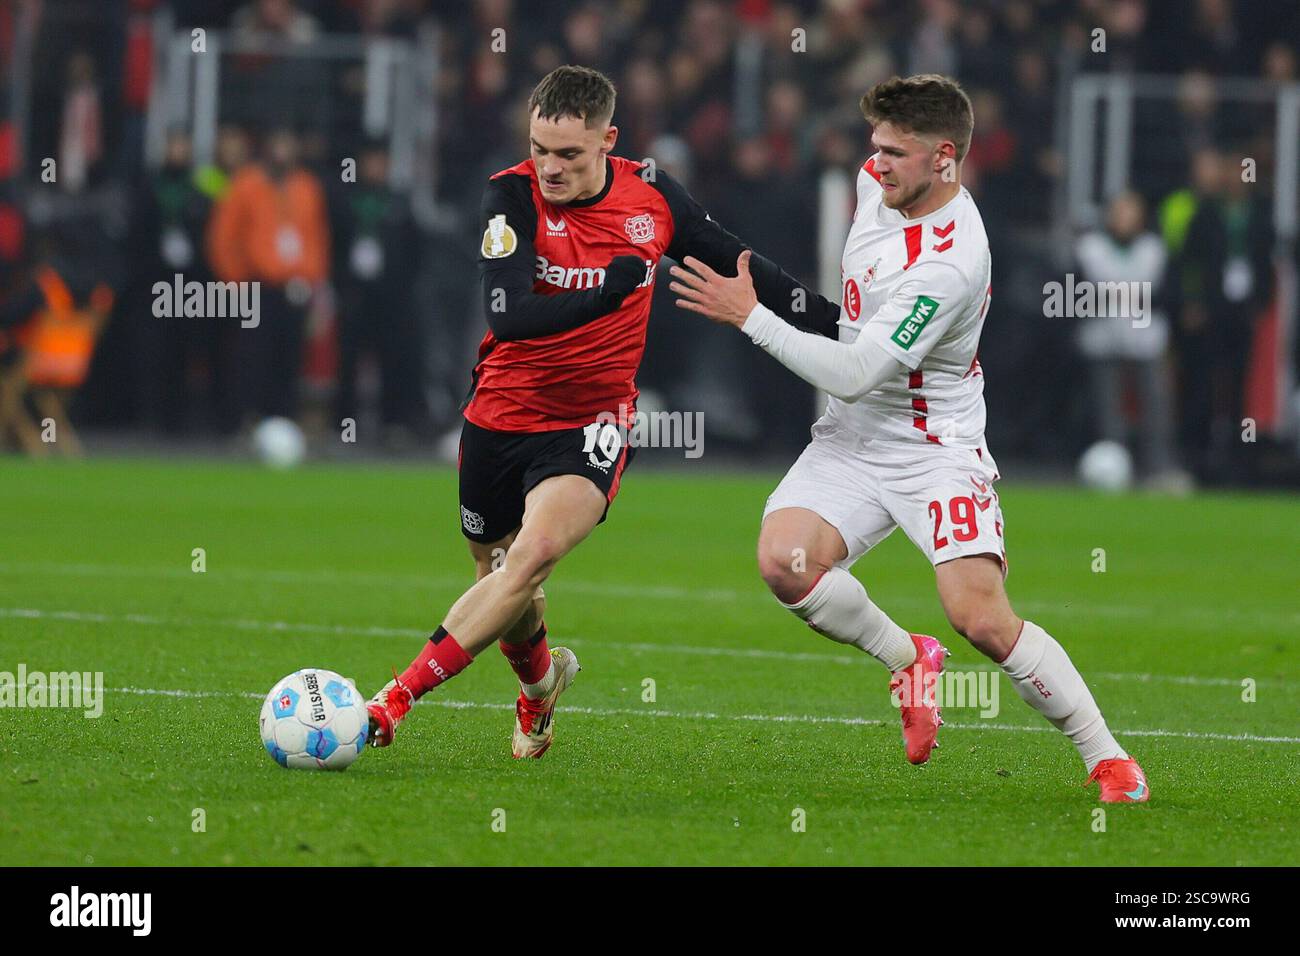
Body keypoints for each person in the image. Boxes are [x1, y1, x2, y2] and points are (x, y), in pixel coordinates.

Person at [670, 74, 1149, 803]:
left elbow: (859, 368)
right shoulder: (875, 185)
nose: (877, 162)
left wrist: (751, 318)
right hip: (853, 437)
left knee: (979, 617)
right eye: (876, 147)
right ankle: (909, 658)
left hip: (934, 447)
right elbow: (841, 332)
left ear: (945, 158)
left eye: (895, 151)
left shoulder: (952, 263)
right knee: (785, 562)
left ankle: (1107, 756)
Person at [364, 65, 831, 758]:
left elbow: (740, 263)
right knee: (501, 581)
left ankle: (391, 701)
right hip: (500, 412)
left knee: (530, 559)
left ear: (608, 141)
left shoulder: (652, 196)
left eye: (569, 154)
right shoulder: (510, 195)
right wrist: (607, 294)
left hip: (592, 422)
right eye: (540, 149)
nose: (549, 167)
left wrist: (838, 323)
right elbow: (509, 314)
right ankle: (541, 687)